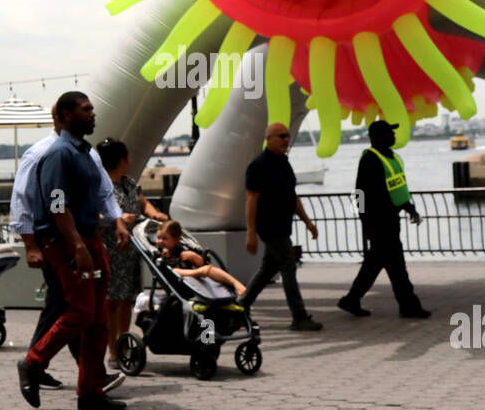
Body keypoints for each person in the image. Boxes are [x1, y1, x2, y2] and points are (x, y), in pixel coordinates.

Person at [16, 91, 130, 410]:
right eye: (85, 109)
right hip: (67, 240)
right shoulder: (59, 154)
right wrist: (78, 245)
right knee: (80, 311)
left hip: (89, 237)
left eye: (93, 108)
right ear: (65, 115)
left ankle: (90, 392)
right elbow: (56, 204)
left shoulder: (84, 151)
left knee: (97, 317)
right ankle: (33, 363)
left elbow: (99, 195)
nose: (93, 114)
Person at [337, 119, 431, 319]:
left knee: (377, 265)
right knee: (396, 267)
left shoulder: (393, 158)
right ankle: (408, 306)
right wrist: (365, 223)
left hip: (391, 220)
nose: (394, 136)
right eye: (390, 133)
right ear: (376, 137)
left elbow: (398, 189)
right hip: (378, 223)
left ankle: (352, 299)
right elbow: (359, 193)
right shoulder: (370, 159)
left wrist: (410, 209)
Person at [239, 122, 322, 330]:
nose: (286, 140)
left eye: (288, 136)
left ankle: (241, 306)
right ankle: (299, 316)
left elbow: (292, 196)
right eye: (282, 136)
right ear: (269, 139)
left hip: (284, 225)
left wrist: (308, 222)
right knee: (288, 265)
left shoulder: (284, 163)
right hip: (269, 227)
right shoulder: (258, 165)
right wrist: (251, 232)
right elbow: (251, 200)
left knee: (268, 269)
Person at [97, 137, 166, 366]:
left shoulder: (129, 183)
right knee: (110, 302)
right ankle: (112, 352)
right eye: (128, 157)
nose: (130, 161)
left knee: (126, 299)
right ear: (121, 160)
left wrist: (154, 214)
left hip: (130, 251)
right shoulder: (99, 186)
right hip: (109, 250)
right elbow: (93, 218)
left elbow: (143, 203)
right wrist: (114, 220)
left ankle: (123, 342)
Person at [156, 220, 246, 295]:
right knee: (174, 271)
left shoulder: (183, 248)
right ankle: (198, 272)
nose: (160, 241)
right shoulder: (158, 251)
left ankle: (235, 283)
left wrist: (193, 256)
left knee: (209, 269)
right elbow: (163, 269)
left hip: (195, 278)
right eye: (158, 237)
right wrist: (165, 257)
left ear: (176, 239)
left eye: (164, 239)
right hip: (177, 279)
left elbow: (202, 263)